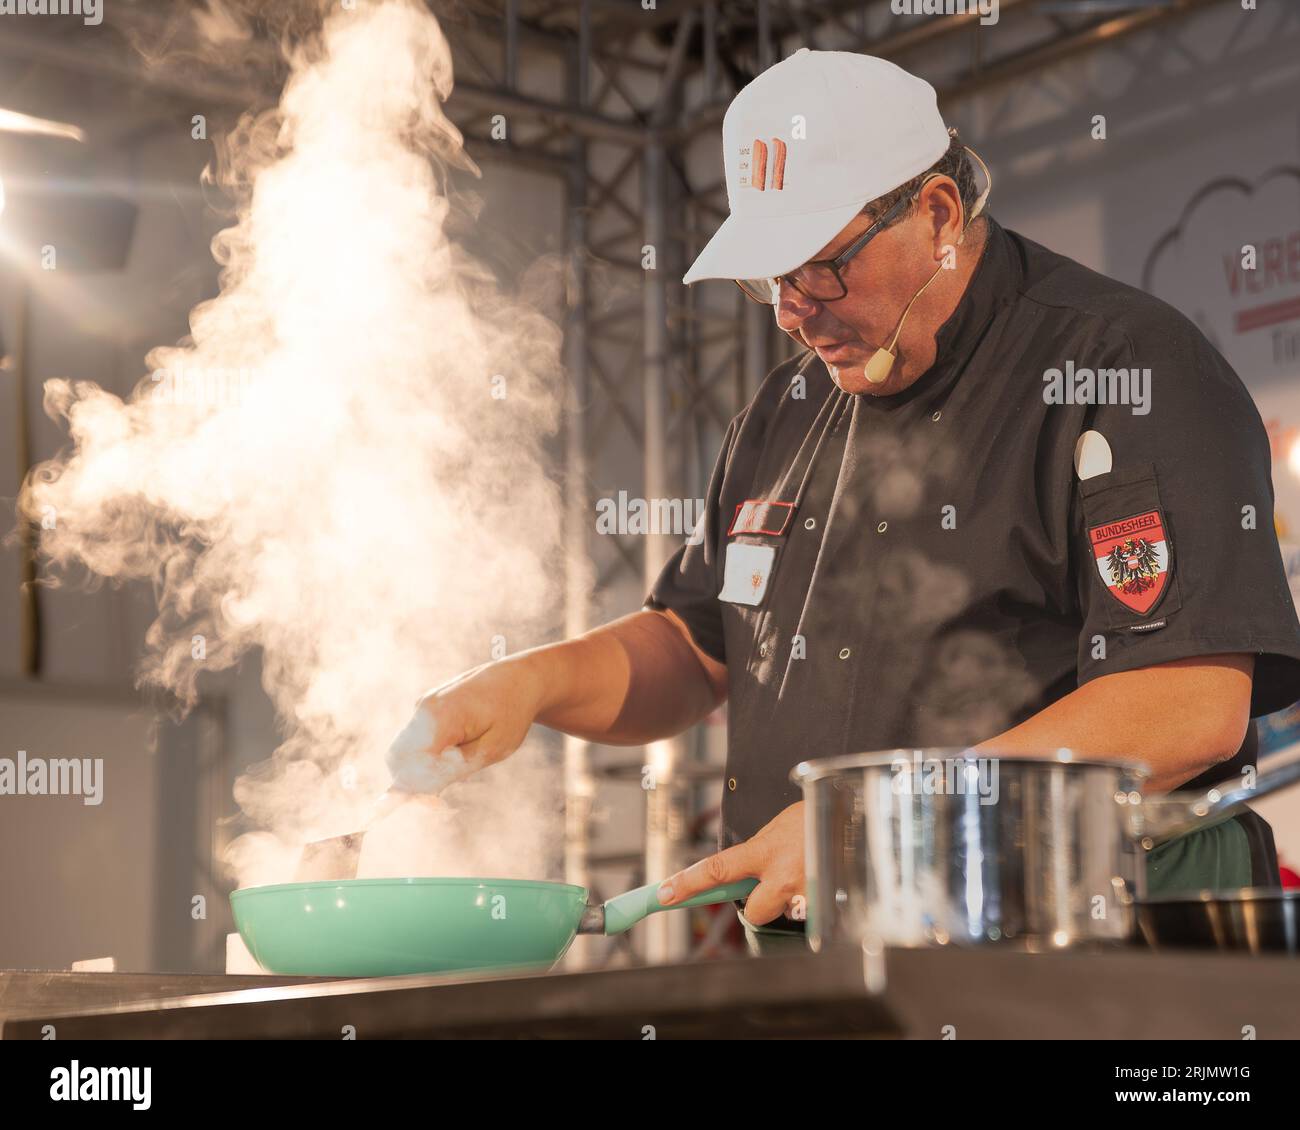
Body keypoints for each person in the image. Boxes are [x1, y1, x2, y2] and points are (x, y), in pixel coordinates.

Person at [387, 49, 1300, 950]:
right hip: (833, 958)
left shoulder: (1123, 367)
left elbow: (1183, 705)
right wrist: (528, 682)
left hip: (1085, 950)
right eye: (769, 279)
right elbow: (698, 646)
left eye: (819, 268)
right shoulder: (784, 413)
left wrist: (863, 826)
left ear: (938, 214)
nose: (790, 311)